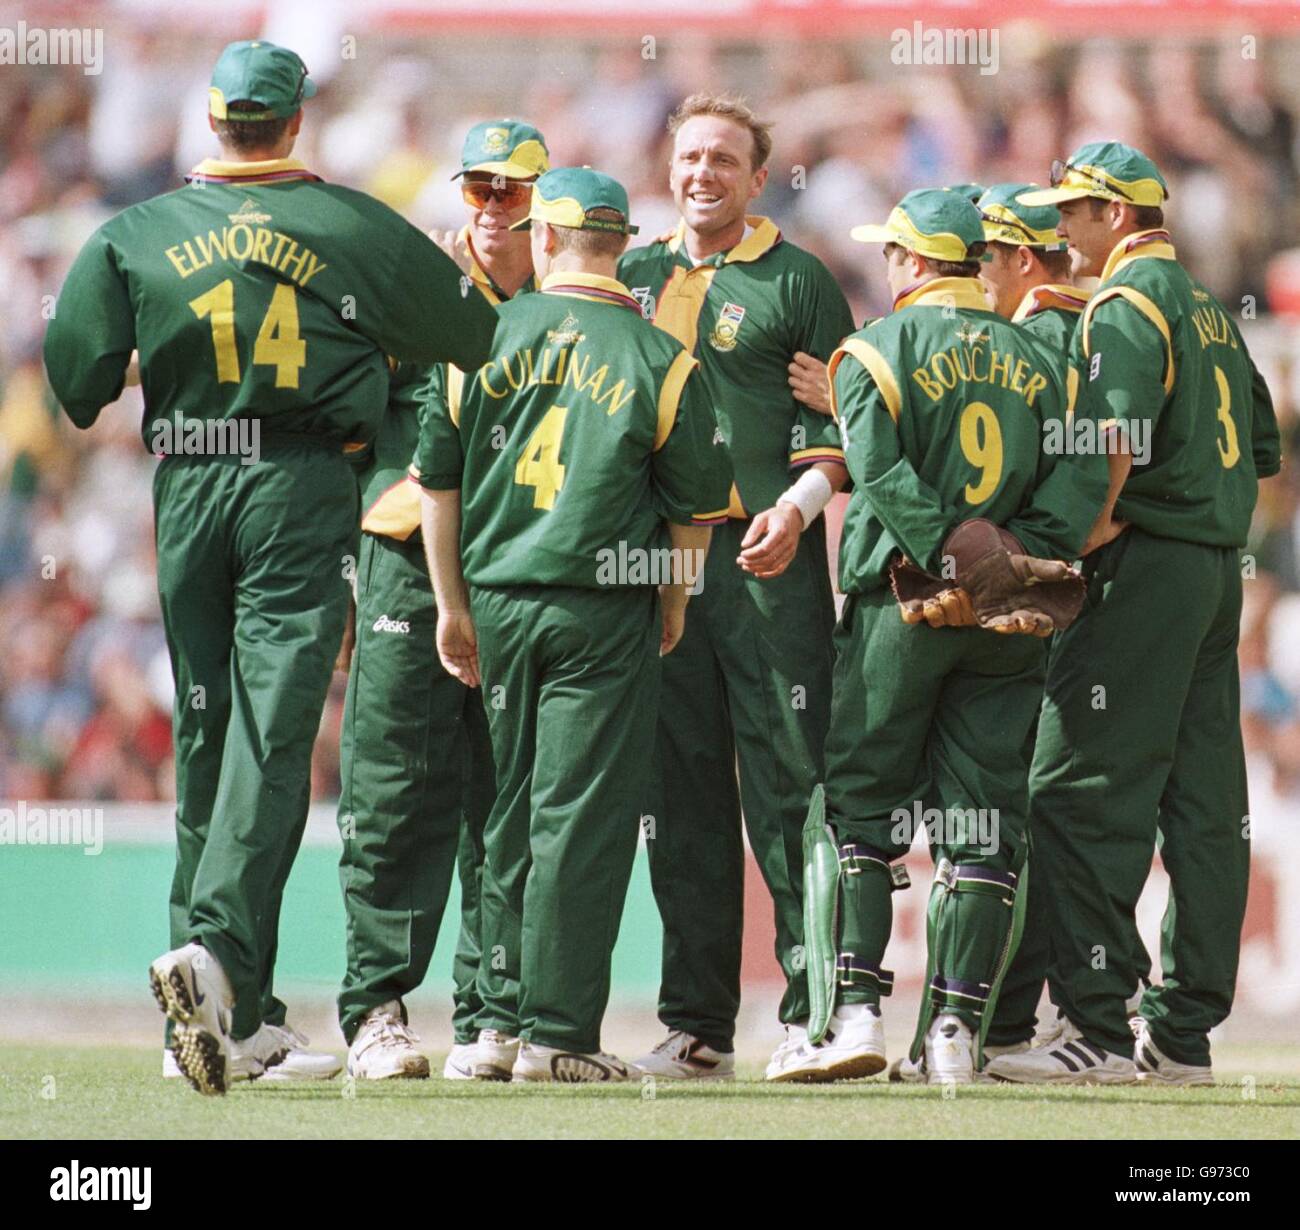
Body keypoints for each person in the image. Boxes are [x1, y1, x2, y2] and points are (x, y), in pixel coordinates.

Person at [43, 39, 497, 1096]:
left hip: (189, 480)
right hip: (297, 482)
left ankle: (217, 1008)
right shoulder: (353, 223)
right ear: (296, 122)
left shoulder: (132, 231)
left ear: (213, 121)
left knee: (208, 728)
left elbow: (77, 381)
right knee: (272, 730)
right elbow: (470, 335)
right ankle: (215, 961)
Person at [771, 188, 1108, 1084]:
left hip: (901, 604)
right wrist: (1014, 559)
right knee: (986, 819)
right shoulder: (1050, 359)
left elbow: (876, 470)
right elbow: (1084, 474)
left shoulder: (872, 350)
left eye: (890, 252)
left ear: (913, 263)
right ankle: (955, 1032)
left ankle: (853, 1016)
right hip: (1013, 612)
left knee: (858, 807)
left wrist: (953, 555)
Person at [415, 166, 732, 1082]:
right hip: (604, 606)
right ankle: (556, 1034)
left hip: (501, 599)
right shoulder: (664, 358)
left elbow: (436, 487)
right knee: (579, 819)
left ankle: (490, 1027)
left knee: (508, 809)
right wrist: (671, 600)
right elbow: (692, 513)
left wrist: (451, 604)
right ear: (624, 244)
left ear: (545, 239)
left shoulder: (478, 339)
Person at [987, 143, 1281, 1085]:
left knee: (1078, 793)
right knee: (1203, 806)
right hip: (1211, 572)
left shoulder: (1126, 305)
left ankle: (1098, 1030)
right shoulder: (1208, 309)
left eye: (1072, 211)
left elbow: (1109, 443)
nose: (1060, 229)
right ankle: (1184, 1035)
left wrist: (1068, 554)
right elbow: (1265, 448)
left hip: (1143, 568)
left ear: (1115, 213)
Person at [617, 93, 854, 1081]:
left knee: (792, 790)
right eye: (688, 156)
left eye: (722, 157)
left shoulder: (798, 280)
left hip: (769, 565)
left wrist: (794, 511)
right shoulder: (626, 272)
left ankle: (818, 1015)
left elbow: (840, 439)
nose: (701, 172)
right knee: (680, 802)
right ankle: (697, 1025)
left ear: (759, 178)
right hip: (660, 567)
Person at [336, 120, 548, 1083]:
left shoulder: (574, 301)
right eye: (479, 187)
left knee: (506, 795)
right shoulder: (406, 288)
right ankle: (376, 1009)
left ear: (545, 202)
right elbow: (342, 415)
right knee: (394, 785)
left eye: (512, 189)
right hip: (406, 563)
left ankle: (493, 1012)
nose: (492, 206)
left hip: (524, 569)